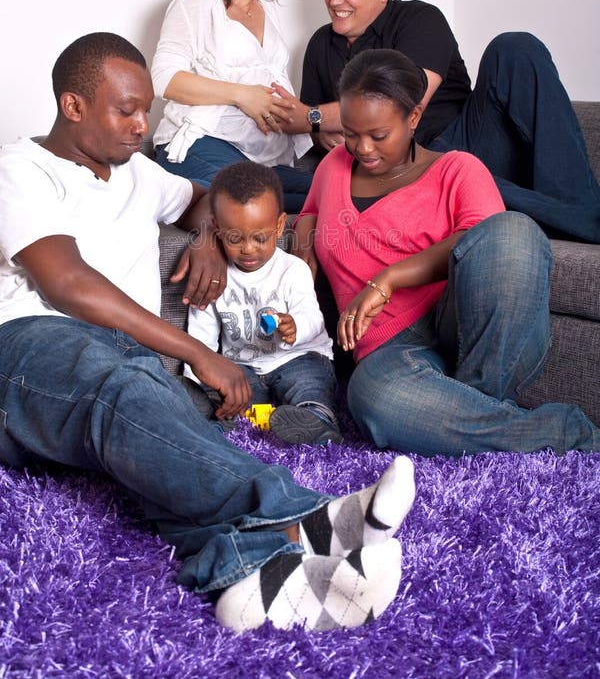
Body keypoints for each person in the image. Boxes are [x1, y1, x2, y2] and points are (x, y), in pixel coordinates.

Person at [0, 32, 418, 632]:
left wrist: (208, 241)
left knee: (157, 449)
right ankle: (310, 518)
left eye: (146, 107)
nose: (143, 124)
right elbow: (67, 283)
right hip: (28, 346)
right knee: (123, 389)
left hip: (124, 364)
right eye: (126, 110)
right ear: (73, 107)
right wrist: (198, 352)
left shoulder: (137, 172)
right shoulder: (21, 168)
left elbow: (205, 203)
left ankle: (250, 582)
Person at [293, 47, 600, 458]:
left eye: (378, 135)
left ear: (413, 119)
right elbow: (311, 211)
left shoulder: (458, 169)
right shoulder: (333, 164)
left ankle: (468, 408)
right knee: (371, 397)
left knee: (513, 231)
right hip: (392, 353)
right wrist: (300, 257)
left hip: (465, 326)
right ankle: (556, 433)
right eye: (351, 133)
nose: (362, 148)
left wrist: (389, 279)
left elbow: (488, 241)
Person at [290, 0, 600, 243]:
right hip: (393, 167)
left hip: (463, 140)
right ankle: (544, 215)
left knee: (514, 47)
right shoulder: (320, 44)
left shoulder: (420, 19)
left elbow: (398, 102)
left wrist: (315, 116)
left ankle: (578, 213)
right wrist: (318, 128)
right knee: (294, 182)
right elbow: (311, 131)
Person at [151, 0, 314, 213]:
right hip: (204, 143)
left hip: (262, 157)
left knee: (328, 193)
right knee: (255, 206)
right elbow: (165, 79)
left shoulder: (269, 13)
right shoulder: (197, 3)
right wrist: (243, 95)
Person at [184, 160, 342, 445]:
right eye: (234, 238)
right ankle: (219, 419)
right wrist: (197, 376)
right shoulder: (215, 275)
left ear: (280, 225)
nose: (248, 249)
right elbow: (200, 338)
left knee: (307, 383)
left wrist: (296, 327)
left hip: (297, 357)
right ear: (217, 228)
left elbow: (313, 317)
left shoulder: (292, 269)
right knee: (235, 395)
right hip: (244, 365)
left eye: (259, 237)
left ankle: (315, 420)